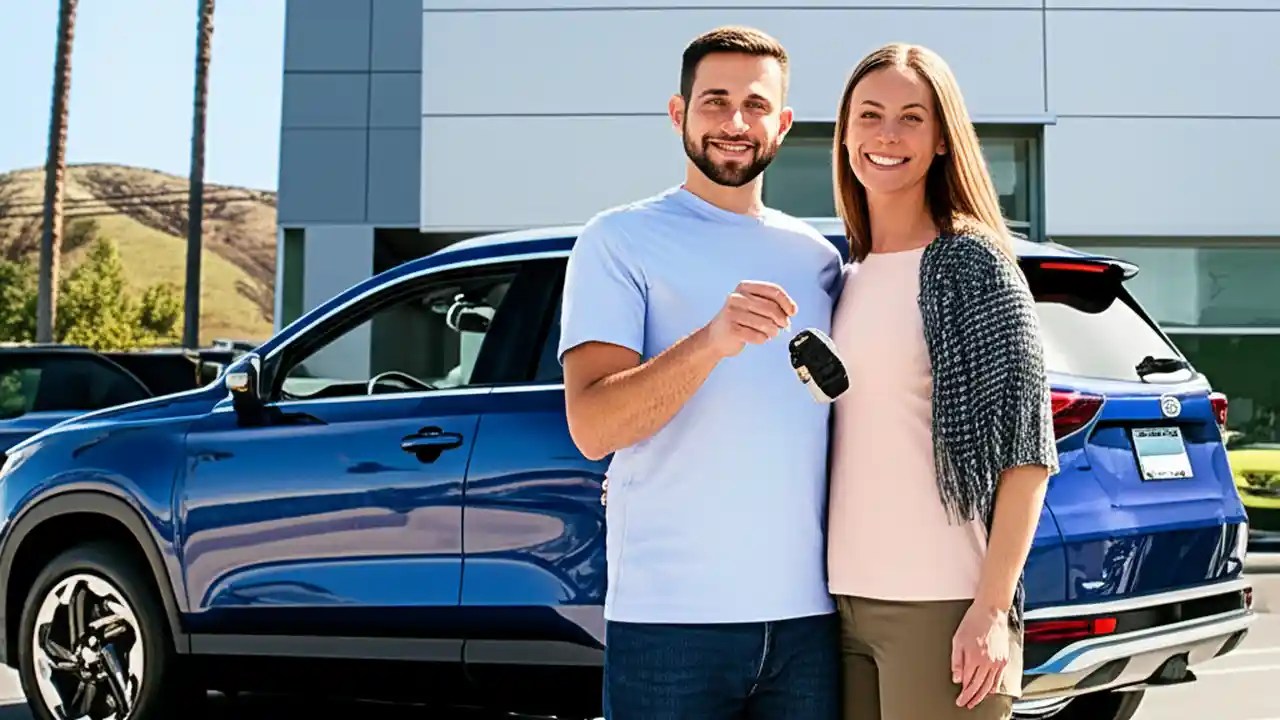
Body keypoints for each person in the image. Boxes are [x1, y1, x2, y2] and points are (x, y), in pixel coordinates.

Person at [558, 25, 844, 720]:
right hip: (669, 620)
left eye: (755, 105)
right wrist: (711, 341)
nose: (735, 123)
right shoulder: (617, 241)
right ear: (679, 112)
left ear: (782, 124)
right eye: (715, 101)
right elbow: (593, 427)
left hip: (810, 617)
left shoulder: (819, 259)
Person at [823, 43, 1059, 720]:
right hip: (841, 604)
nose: (887, 136)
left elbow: (1027, 454)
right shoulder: (848, 276)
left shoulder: (970, 265)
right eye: (870, 115)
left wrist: (989, 612)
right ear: (845, 133)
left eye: (910, 118)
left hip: (944, 606)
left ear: (942, 141)